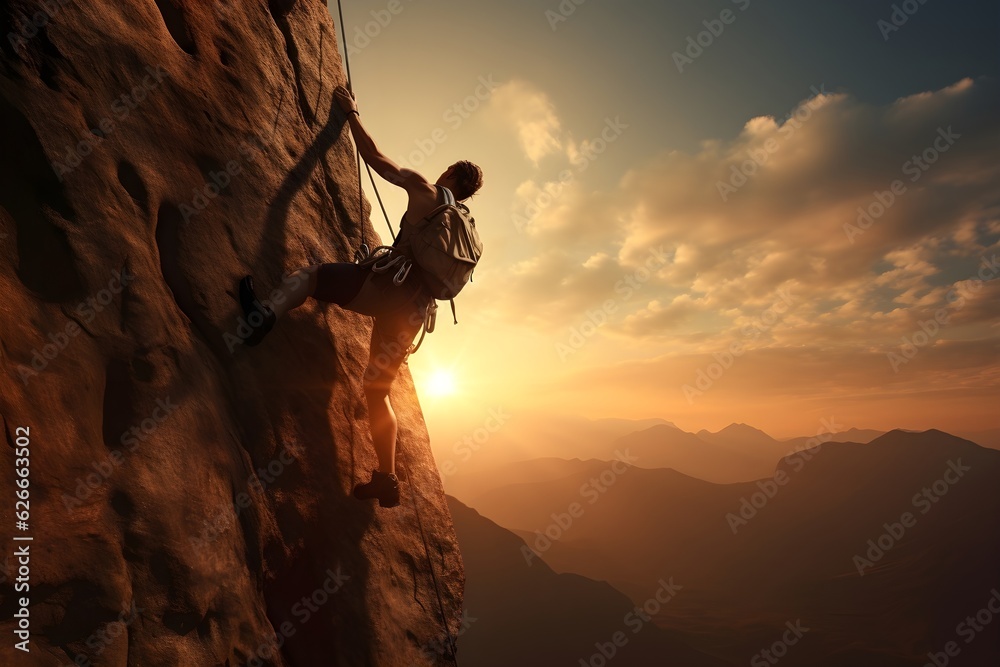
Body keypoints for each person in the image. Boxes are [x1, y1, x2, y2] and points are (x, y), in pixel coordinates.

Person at [238, 85, 483, 508]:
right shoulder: (464, 224)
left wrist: (350, 114)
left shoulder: (426, 192)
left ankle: (264, 315)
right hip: (415, 311)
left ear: (452, 178)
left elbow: (377, 161)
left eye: (447, 170)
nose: (441, 173)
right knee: (377, 391)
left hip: (388, 287)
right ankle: (387, 479)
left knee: (312, 276)